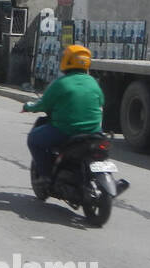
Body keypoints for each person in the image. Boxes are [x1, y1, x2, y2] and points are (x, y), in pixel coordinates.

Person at [22, 44, 104, 189]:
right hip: (94, 132)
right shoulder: (93, 83)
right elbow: (102, 102)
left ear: (66, 60)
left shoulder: (60, 84)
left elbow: (43, 105)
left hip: (66, 131)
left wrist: (28, 106)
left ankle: (46, 176)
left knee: (33, 139)